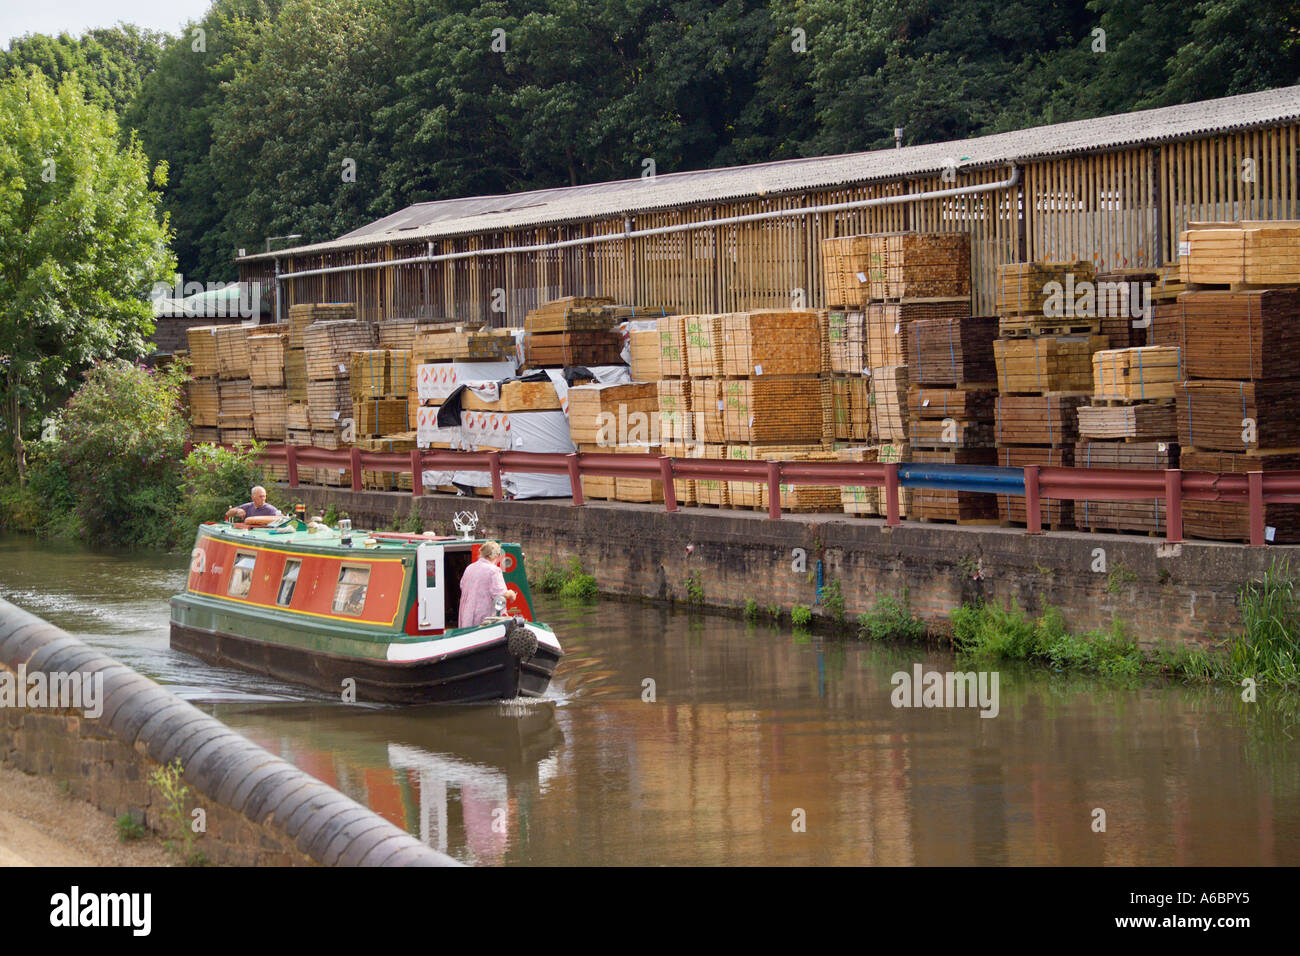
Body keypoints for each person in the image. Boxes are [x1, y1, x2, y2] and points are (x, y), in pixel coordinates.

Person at [458, 541, 519, 628]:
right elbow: (500, 594)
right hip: (483, 617)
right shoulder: (493, 570)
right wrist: (511, 594)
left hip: (467, 613)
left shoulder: (469, 568)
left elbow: (462, 585)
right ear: (497, 556)